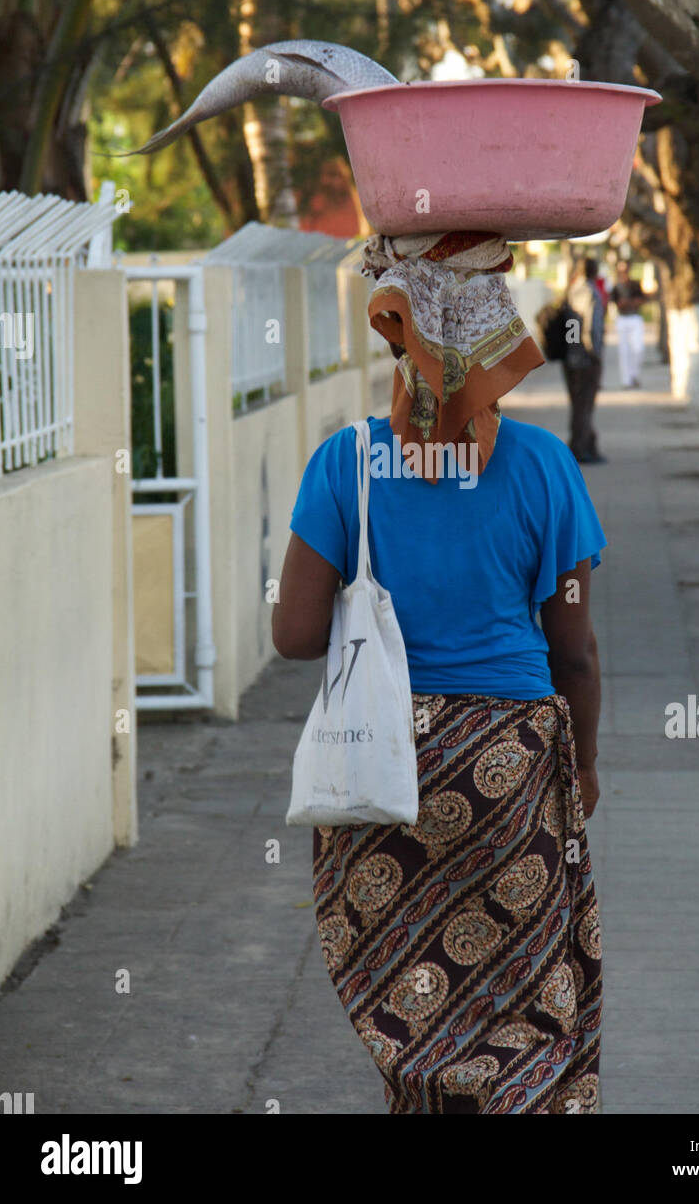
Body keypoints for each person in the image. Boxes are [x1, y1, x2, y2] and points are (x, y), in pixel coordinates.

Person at [273, 230, 606, 1116]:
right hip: (510, 763)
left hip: (378, 765)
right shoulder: (545, 467)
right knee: (524, 987)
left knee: (408, 995)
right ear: (496, 334)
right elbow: (573, 649)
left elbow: (295, 636)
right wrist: (583, 765)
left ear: (395, 336)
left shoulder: (344, 463)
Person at [562, 257, 606, 465]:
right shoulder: (591, 293)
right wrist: (595, 354)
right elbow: (592, 328)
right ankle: (580, 449)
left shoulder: (571, 291)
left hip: (570, 356)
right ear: (594, 272)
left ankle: (583, 444)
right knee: (585, 404)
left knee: (577, 403)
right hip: (586, 359)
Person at [612, 259, 646, 389]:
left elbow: (640, 300)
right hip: (622, 319)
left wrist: (629, 303)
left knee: (638, 349)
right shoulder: (616, 287)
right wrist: (627, 303)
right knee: (624, 351)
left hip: (635, 318)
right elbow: (617, 303)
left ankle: (634, 375)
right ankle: (626, 380)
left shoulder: (635, 285)